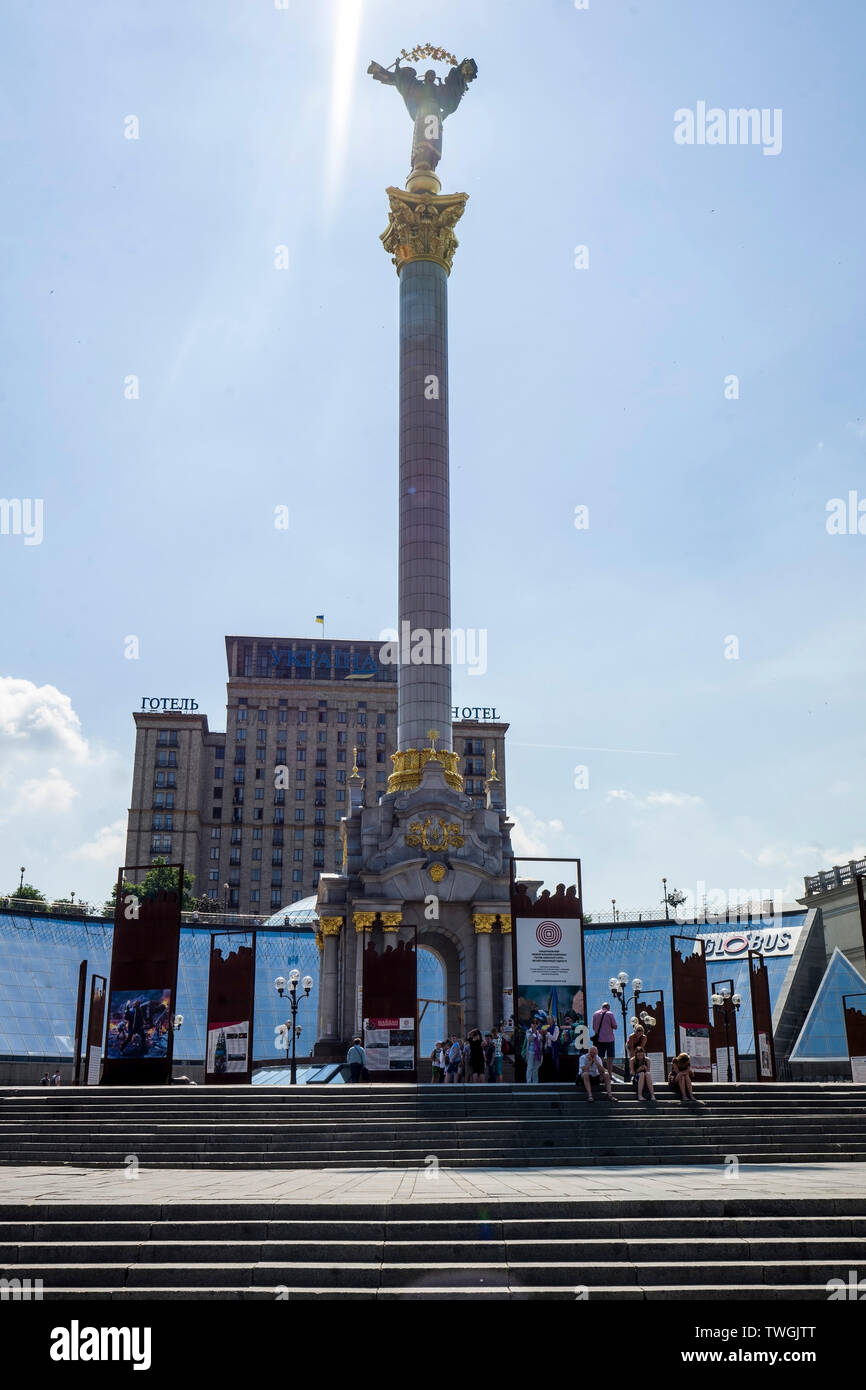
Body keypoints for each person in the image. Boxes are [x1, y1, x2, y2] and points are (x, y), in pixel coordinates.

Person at [591, 1001, 618, 1078]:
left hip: (599, 1040)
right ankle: (609, 1075)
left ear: (602, 1007)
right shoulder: (610, 1014)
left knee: (600, 1058)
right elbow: (615, 1026)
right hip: (609, 1040)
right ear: (608, 1007)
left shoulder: (595, 1014)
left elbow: (593, 1027)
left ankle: (601, 1075)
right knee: (610, 1059)